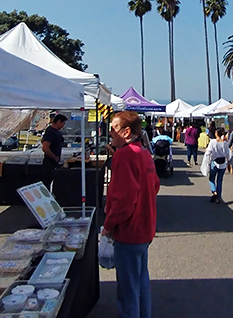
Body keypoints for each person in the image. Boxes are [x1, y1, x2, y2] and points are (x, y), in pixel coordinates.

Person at [102, 111, 160, 318]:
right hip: (145, 228)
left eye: (114, 128)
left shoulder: (124, 156)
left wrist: (108, 225)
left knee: (127, 289)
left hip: (129, 231)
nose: (110, 132)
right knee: (140, 282)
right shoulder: (143, 152)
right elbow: (154, 186)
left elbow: (124, 201)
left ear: (126, 132)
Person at [41, 113, 67, 188]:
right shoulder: (51, 132)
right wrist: (54, 157)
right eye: (63, 123)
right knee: (47, 183)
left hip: (54, 161)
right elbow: (45, 147)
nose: (63, 125)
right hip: (50, 162)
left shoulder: (52, 131)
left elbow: (43, 140)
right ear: (59, 121)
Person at [204, 127, 230, 203]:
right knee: (220, 180)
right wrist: (228, 162)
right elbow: (227, 154)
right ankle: (219, 196)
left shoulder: (212, 142)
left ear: (216, 133)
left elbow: (208, 152)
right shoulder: (225, 143)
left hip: (214, 162)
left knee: (211, 179)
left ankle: (214, 191)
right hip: (222, 163)